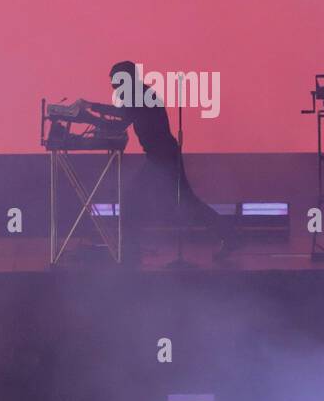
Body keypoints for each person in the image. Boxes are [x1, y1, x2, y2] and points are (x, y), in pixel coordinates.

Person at [81, 61, 235, 261]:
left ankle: (130, 250)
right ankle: (230, 235)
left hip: (162, 159)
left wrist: (86, 115)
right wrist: (91, 110)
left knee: (135, 199)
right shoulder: (140, 93)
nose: (113, 87)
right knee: (184, 202)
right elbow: (122, 115)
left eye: (115, 82)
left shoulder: (137, 95)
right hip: (162, 156)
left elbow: (119, 122)